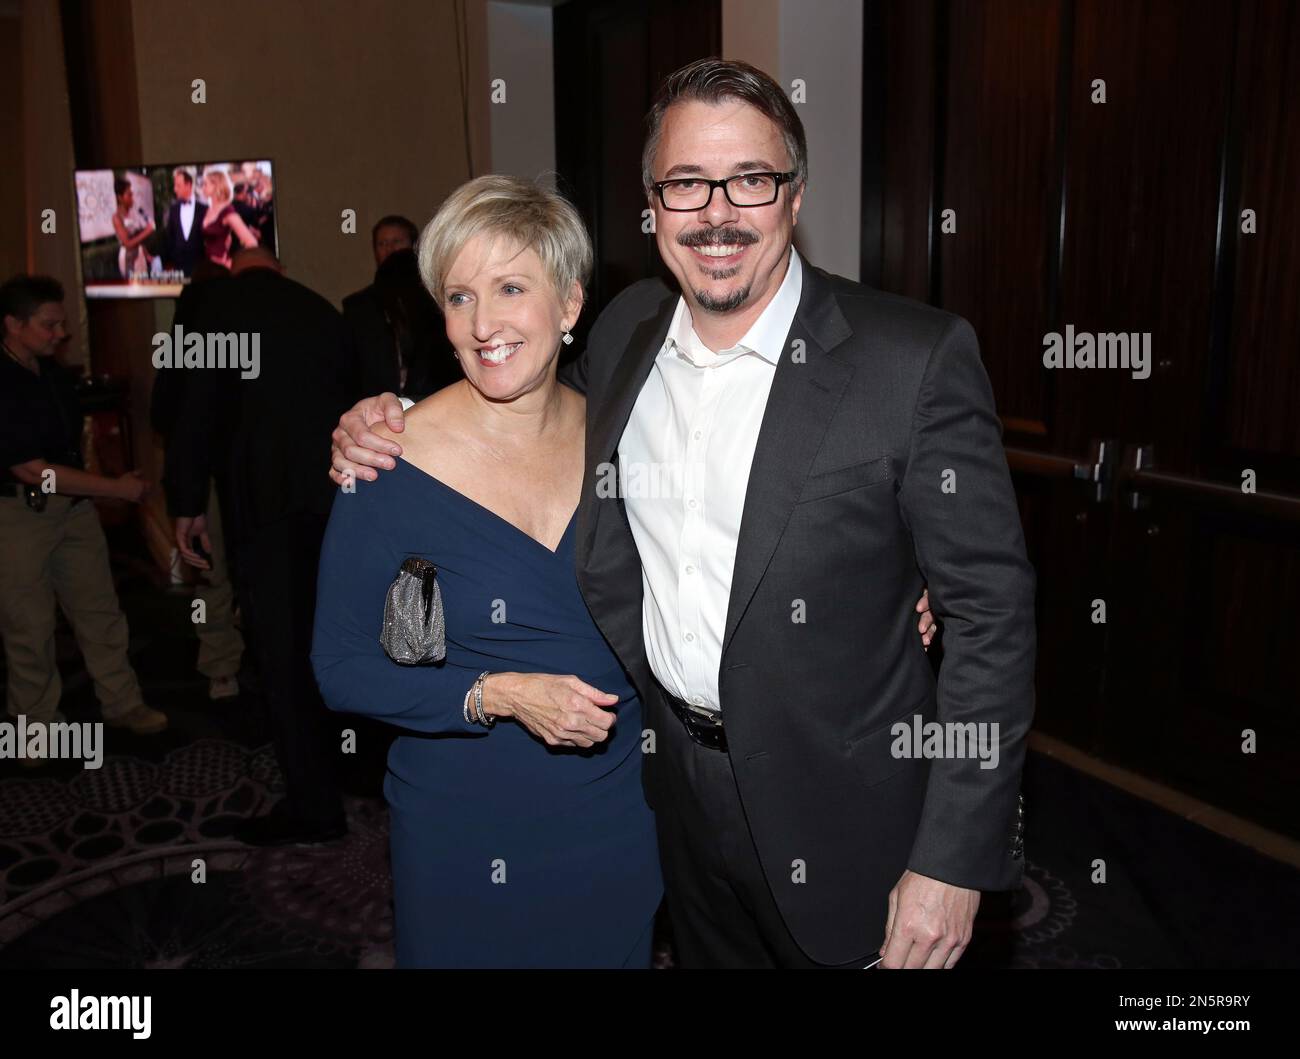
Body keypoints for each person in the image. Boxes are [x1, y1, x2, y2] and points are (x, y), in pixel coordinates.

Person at [331, 57, 1030, 970]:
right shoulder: (623, 336)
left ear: (794, 194)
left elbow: (994, 617)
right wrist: (383, 418)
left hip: (852, 817)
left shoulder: (913, 359)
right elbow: (516, 395)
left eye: (750, 178)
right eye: (687, 183)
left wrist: (952, 860)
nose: (718, 211)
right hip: (670, 807)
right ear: (652, 206)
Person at [166, 247, 349, 845]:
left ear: (234, 268)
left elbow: (192, 408)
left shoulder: (213, 305)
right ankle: (347, 766)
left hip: (264, 508)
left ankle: (314, 806)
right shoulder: (322, 309)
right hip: (338, 500)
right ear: (279, 266)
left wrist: (186, 503)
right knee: (334, 641)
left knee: (281, 655)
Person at [0, 275, 168, 760]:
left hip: (73, 513)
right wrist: (116, 490)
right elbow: (33, 470)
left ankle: (122, 703)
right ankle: (34, 728)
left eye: (61, 324)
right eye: (49, 325)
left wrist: (98, 485)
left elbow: (68, 454)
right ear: (13, 324)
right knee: (28, 626)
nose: (60, 334)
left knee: (100, 613)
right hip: (20, 515)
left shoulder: (51, 374)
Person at [150, 258, 243, 700]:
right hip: (231, 478)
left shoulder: (183, 342)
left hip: (204, 482)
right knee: (223, 572)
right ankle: (225, 662)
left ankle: (220, 666)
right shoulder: (245, 337)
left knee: (211, 574)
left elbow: (162, 416)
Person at [199, 169, 258, 269]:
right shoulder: (208, 209)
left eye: (205, 184)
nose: (202, 188)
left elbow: (252, 243)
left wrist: (231, 263)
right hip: (206, 265)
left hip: (221, 269)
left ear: (216, 185)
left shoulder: (227, 212)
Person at [161, 167, 208, 277]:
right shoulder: (173, 209)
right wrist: (172, 258)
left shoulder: (204, 209)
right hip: (178, 265)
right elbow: (170, 236)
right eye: (175, 185)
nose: (174, 189)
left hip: (199, 266)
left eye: (178, 185)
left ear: (188, 185)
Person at [111, 178, 155, 280]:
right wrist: (147, 231)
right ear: (120, 198)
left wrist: (146, 254)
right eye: (129, 195)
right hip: (128, 258)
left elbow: (137, 238)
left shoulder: (133, 213)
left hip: (139, 255)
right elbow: (128, 243)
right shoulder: (116, 218)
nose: (132, 198)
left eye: (132, 194)